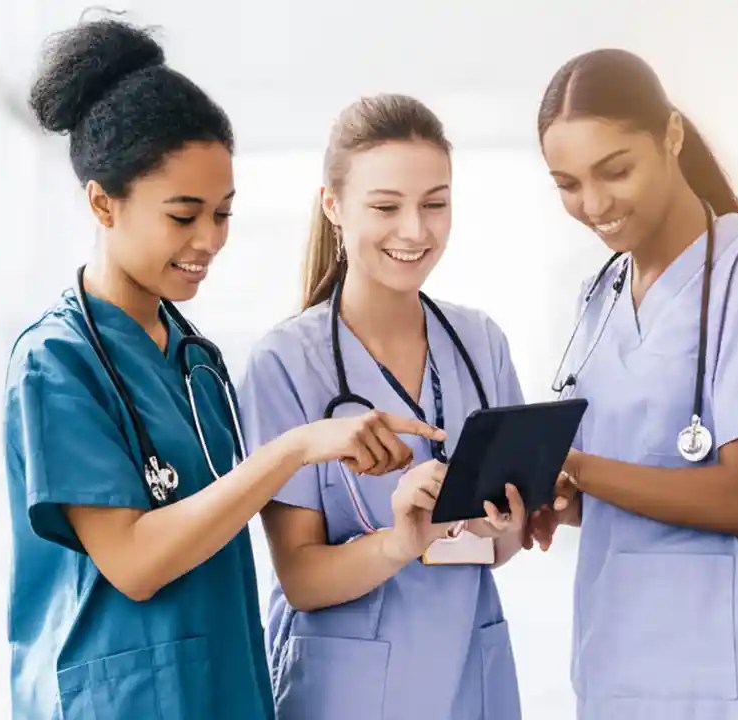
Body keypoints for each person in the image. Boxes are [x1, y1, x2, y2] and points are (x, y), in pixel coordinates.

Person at [3, 17, 443, 720]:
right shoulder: (58, 362)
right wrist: (296, 448)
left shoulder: (196, 360)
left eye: (223, 214)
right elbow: (136, 564)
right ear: (101, 202)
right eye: (183, 216)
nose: (208, 241)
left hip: (222, 694)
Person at [526, 49, 738, 720]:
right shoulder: (601, 295)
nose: (593, 204)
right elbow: (628, 479)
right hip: (622, 664)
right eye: (567, 183)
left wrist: (580, 467)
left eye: (615, 170)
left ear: (672, 137)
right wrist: (561, 498)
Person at [238, 94, 527, 720]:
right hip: (347, 693)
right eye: (386, 206)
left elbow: (505, 545)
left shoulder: (482, 343)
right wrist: (401, 541)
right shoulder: (286, 363)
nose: (415, 230)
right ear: (333, 207)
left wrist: (497, 529)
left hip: (471, 680)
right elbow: (303, 580)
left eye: (435, 204)